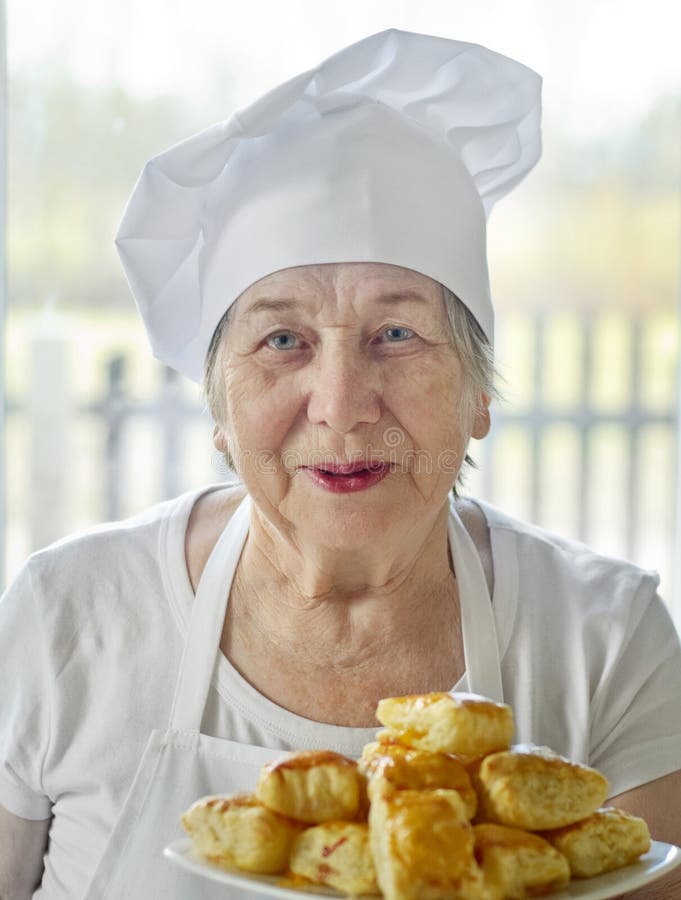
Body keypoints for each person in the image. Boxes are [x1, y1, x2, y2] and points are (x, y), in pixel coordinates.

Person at [1, 28, 680, 900]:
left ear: (479, 394)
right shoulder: (67, 616)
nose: (341, 402)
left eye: (396, 333)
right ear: (219, 411)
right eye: (282, 340)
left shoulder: (605, 640)